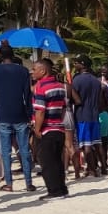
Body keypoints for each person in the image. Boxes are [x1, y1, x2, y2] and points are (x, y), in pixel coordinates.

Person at [0, 46, 37, 191]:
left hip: (3, 112)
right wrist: (29, 114)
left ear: (0, 55)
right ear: (13, 54)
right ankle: (28, 182)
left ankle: (9, 183)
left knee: (5, 150)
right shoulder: (22, 71)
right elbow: (27, 95)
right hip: (20, 112)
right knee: (24, 149)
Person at [30, 57, 70, 199]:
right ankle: (62, 188)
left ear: (43, 70)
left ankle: (54, 191)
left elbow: (40, 110)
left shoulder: (40, 86)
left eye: (34, 69)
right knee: (57, 160)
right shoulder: (60, 86)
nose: (32, 72)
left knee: (46, 161)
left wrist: (37, 129)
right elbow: (64, 108)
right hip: (59, 127)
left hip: (46, 128)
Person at [69, 55, 106, 178]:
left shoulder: (77, 80)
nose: (75, 65)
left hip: (82, 116)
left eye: (76, 63)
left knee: (86, 145)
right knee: (97, 142)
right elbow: (101, 101)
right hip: (94, 115)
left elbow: (75, 99)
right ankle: (104, 166)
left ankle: (92, 170)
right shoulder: (96, 81)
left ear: (82, 64)